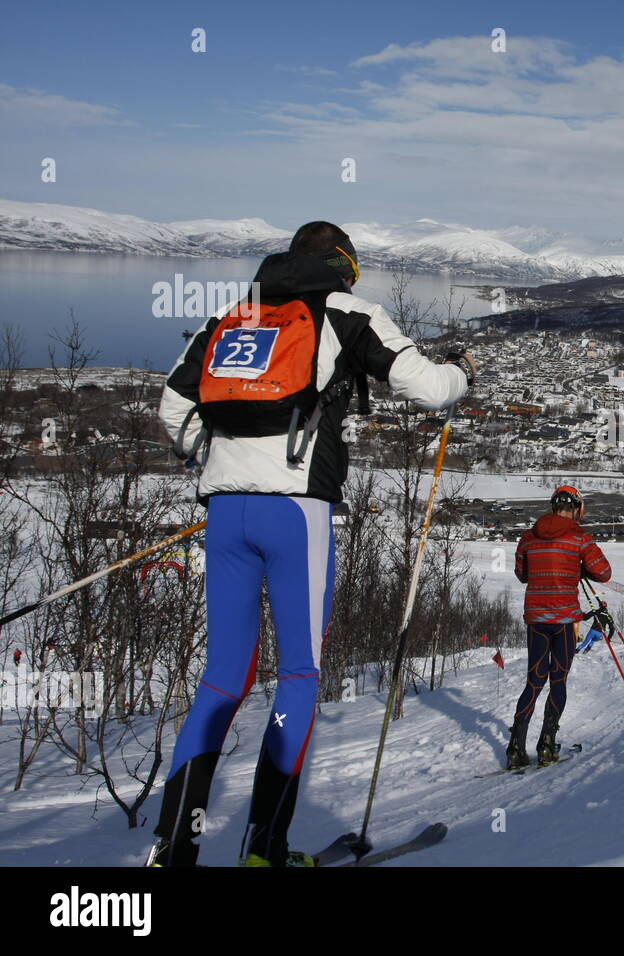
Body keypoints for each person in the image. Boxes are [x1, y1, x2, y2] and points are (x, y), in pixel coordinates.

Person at [149, 221, 475, 867]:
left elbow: (170, 410)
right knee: (298, 674)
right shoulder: (350, 313)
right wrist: (462, 370)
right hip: (296, 513)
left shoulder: (231, 316)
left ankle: (173, 848)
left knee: (221, 679)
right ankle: (262, 849)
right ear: (344, 266)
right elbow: (432, 389)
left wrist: (220, 462)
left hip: (225, 510)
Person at [508, 486, 611, 769]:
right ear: (577, 509)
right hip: (565, 619)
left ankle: (515, 748)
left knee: (534, 680)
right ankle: (546, 744)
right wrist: (577, 566)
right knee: (558, 680)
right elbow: (604, 572)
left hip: (537, 618)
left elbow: (522, 574)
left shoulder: (529, 536)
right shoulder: (579, 537)